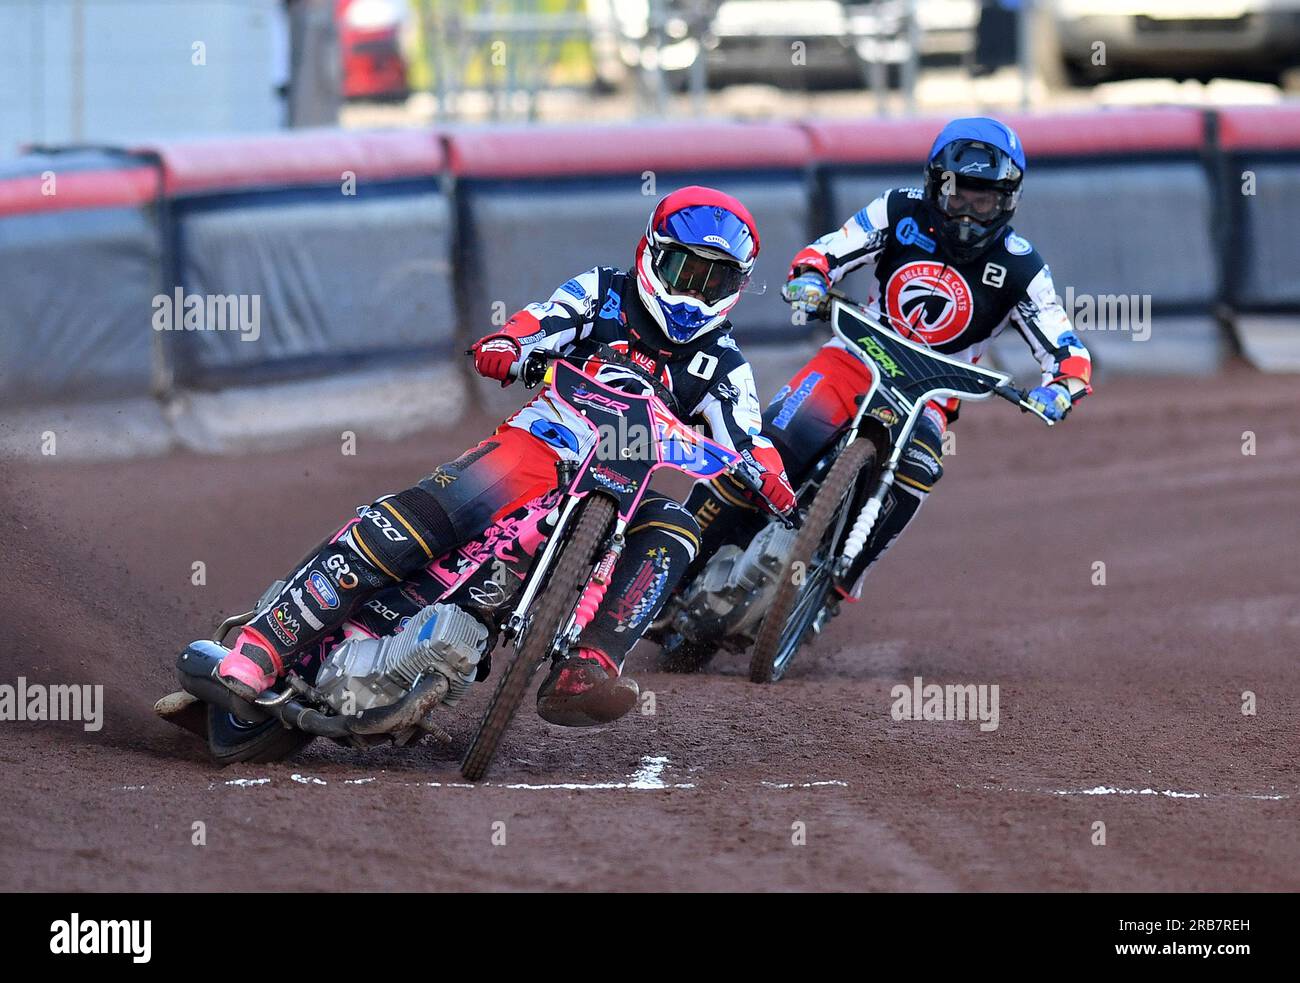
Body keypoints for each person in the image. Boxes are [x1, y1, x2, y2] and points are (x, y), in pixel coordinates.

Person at [211, 186, 795, 726]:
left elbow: (748, 437)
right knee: (414, 522)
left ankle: (587, 665)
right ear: (651, 253)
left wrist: (769, 474)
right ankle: (265, 642)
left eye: (713, 281)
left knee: (677, 527)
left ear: (736, 286)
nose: (695, 292)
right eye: (685, 270)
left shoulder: (724, 363)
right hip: (543, 443)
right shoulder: (604, 290)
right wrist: (510, 343)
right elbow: (544, 319)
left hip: (626, 486)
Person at [684, 117, 1092, 608]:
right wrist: (812, 277)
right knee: (767, 449)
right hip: (856, 357)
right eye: (958, 194)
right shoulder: (898, 209)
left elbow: (1064, 345)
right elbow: (828, 250)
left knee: (920, 467)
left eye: (982, 199)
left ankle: (836, 585)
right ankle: (671, 557)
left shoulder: (1024, 267)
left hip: (931, 393)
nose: (967, 213)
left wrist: (1063, 386)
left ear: (1007, 200)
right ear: (935, 184)